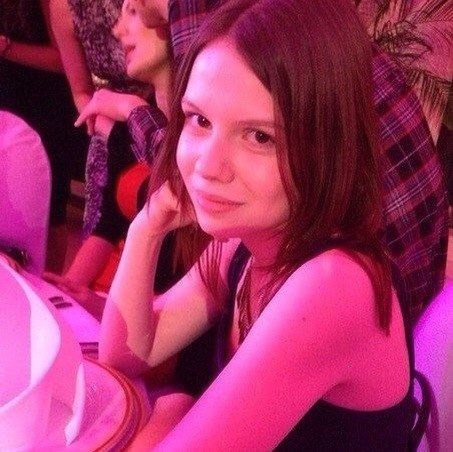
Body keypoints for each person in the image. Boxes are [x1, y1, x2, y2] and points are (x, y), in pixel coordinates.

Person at [99, 0, 415, 449]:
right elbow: (128, 354)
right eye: (200, 120)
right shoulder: (247, 244)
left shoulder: (334, 285)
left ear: (324, 147)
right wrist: (146, 228)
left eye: (259, 136)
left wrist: (173, 412)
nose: (208, 166)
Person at [49, 0, 146, 290]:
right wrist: (66, 291)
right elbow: (105, 229)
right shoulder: (64, 7)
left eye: (133, 12)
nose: (117, 30)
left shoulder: (186, 128)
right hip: (111, 125)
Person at [0, 0, 87, 273]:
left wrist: (6, 49)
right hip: (9, 104)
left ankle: (48, 286)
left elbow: (65, 60)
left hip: (44, 110)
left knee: (50, 212)